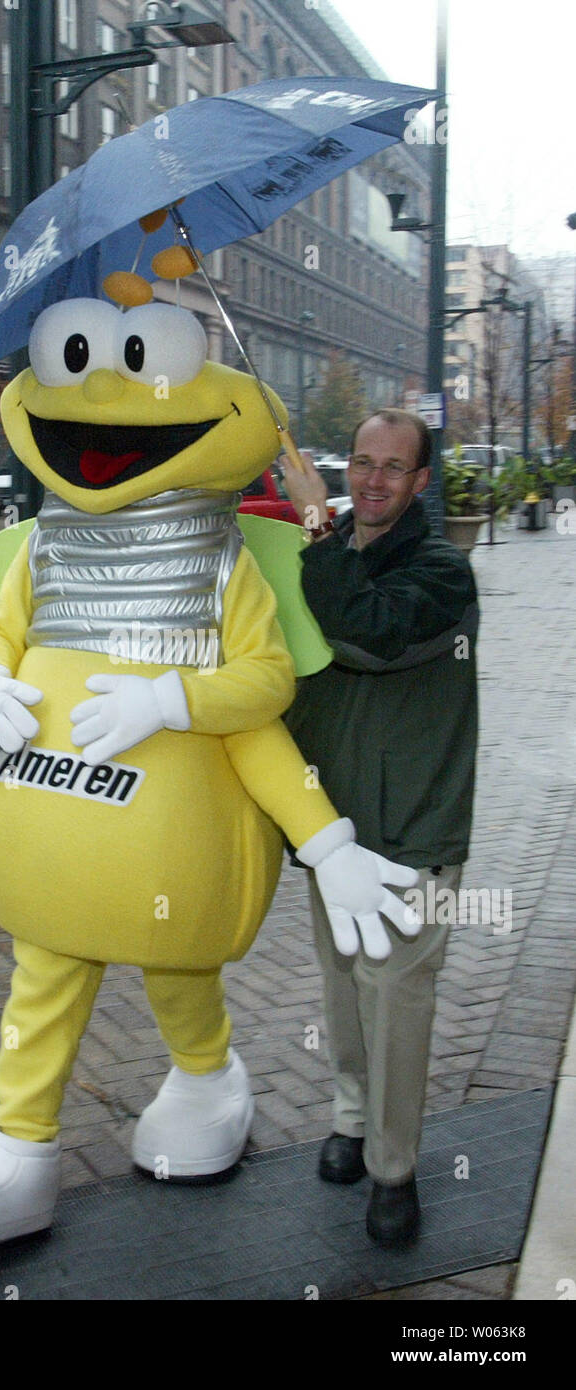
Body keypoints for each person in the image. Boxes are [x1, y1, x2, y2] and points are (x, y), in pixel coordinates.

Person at [281, 408, 479, 1247]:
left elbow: (367, 631)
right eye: (362, 462)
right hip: (339, 826)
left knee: (396, 1000)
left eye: (394, 468)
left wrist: (317, 529)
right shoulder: (331, 557)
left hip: (412, 833)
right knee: (344, 984)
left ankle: (393, 1172)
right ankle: (352, 1118)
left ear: (421, 481)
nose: (372, 480)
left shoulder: (441, 572)